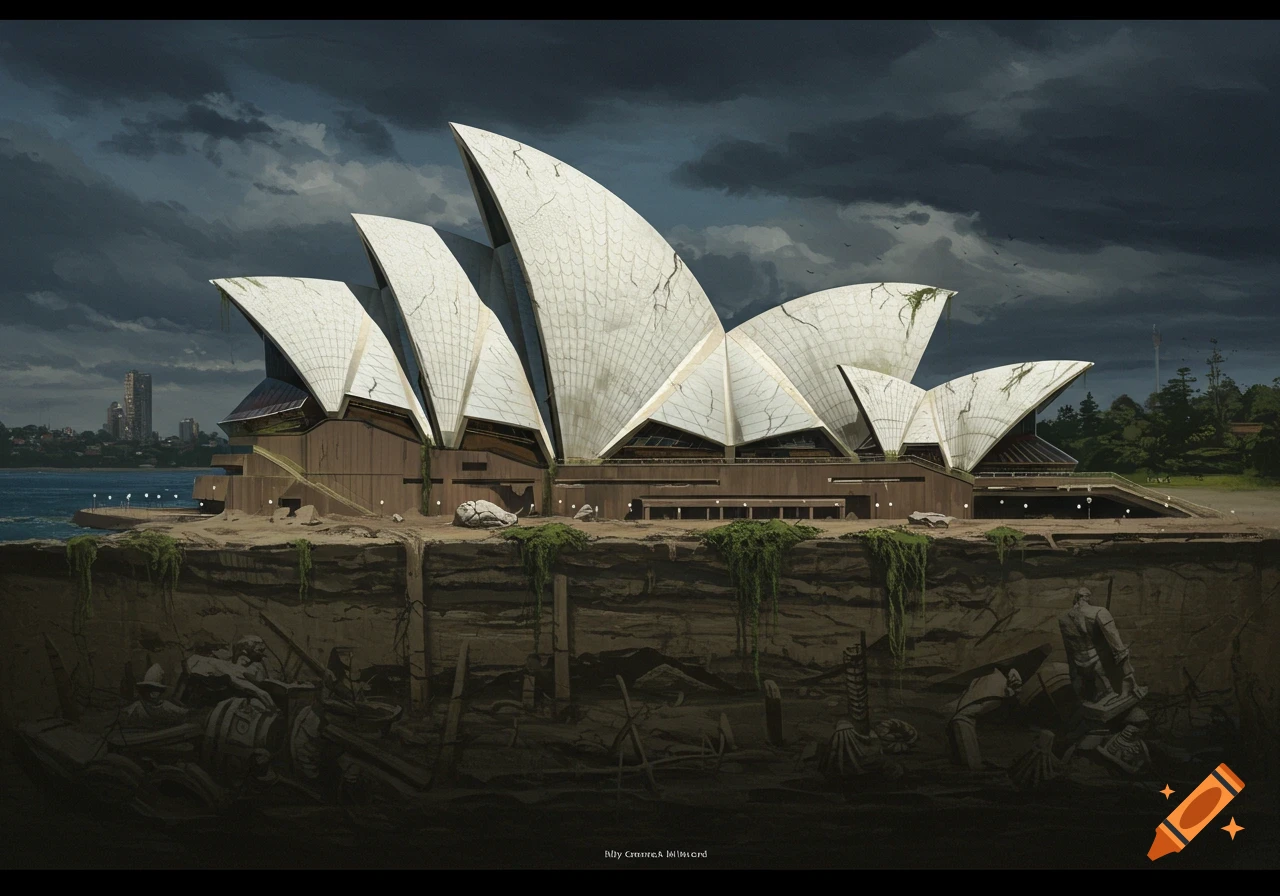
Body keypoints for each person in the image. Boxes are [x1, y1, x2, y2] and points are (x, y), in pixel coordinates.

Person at [1058, 586, 1146, 704]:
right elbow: (1116, 643)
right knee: (1122, 649)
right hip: (1096, 663)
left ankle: (1102, 692)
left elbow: (1069, 649)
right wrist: (1124, 657)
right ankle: (1127, 687)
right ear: (1087, 597)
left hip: (1079, 663)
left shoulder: (1063, 617)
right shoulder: (1099, 611)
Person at [121, 663, 189, 728]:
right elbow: (122, 716)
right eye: (150, 688)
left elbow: (184, 712)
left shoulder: (166, 705)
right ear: (145, 690)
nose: (153, 693)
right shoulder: (138, 706)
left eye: (156, 689)